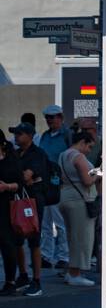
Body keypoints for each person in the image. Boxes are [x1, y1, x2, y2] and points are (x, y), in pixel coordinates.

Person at [9, 121, 51, 296]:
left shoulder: (37, 154)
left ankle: (37, 280)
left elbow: (26, 176)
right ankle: (23, 275)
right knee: (17, 238)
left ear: (30, 136)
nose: (16, 137)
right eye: (15, 134)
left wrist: (17, 178)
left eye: (20, 134)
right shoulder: (16, 153)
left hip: (33, 200)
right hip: (18, 199)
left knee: (34, 237)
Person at [58, 125, 101, 286]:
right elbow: (87, 181)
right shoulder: (78, 157)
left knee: (72, 237)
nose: (89, 150)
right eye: (89, 146)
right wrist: (99, 172)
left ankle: (71, 271)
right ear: (82, 142)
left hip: (65, 197)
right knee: (82, 238)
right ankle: (76, 274)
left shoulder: (63, 155)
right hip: (80, 200)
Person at [38, 103, 71, 273]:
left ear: (60, 118)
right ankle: (46, 255)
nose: (50, 120)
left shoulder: (67, 135)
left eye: (53, 117)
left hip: (60, 182)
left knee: (60, 223)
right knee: (45, 222)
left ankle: (63, 257)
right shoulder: (44, 136)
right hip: (45, 183)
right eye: (48, 118)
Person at [0, 128, 22, 297]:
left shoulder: (11, 159)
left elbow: (20, 184)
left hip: (7, 206)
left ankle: (10, 281)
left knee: (8, 244)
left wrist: (6, 186)